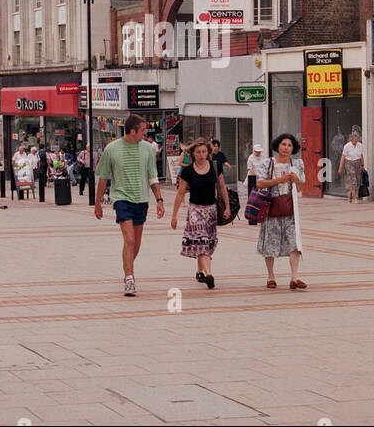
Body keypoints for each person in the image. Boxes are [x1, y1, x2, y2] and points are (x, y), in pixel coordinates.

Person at [94, 115, 164, 297]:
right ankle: (130, 278)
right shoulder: (112, 149)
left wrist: (159, 200)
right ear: (132, 131)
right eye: (142, 130)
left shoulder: (148, 149)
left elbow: (152, 176)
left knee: (136, 242)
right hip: (121, 198)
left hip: (141, 199)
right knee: (130, 240)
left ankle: (128, 268)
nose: (145, 133)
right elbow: (103, 177)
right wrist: (98, 203)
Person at [171, 138, 230, 289]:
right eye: (198, 152)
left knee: (207, 241)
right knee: (201, 240)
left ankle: (199, 271)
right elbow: (180, 193)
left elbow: (223, 188)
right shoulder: (188, 171)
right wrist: (174, 215)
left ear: (208, 152)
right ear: (193, 154)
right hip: (195, 210)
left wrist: (228, 207)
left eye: (204, 151)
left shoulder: (215, 166)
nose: (201, 155)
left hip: (211, 210)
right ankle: (209, 274)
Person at [254, 133, 307, 290]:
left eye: (289, 145)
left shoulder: (297, 164)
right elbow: (259, 183)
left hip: (290, 209)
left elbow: (301, 187)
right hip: (271, 208)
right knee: (270, 243)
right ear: (277, 146)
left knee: (295, 243)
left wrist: (295, 179)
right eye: (283, 144)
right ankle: (271, 277)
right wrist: (280, 180)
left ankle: (294, 277)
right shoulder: (267, 163)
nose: (286, 148)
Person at [338, 129, 366, 204]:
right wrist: (340, 167)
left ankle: (350, 194)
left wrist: (363, 165)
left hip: (358, 163)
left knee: (357, 180)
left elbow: (361, 156)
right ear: (352, 138)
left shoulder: (360, 145)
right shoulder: (347, 146)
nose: (356, 139)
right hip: (349, 163)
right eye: (355, 137)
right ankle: (355, 198)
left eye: (357, 137)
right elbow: (343, 157)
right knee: (353, 180)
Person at [244, 144, 263, 223]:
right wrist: (255, 176)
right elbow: (250, 168)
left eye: (259, 152)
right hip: (252, 177)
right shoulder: (251, 158)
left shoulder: (262, 157)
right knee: (252, 194)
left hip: (260, 176)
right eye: (257, 152)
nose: (258, 153)